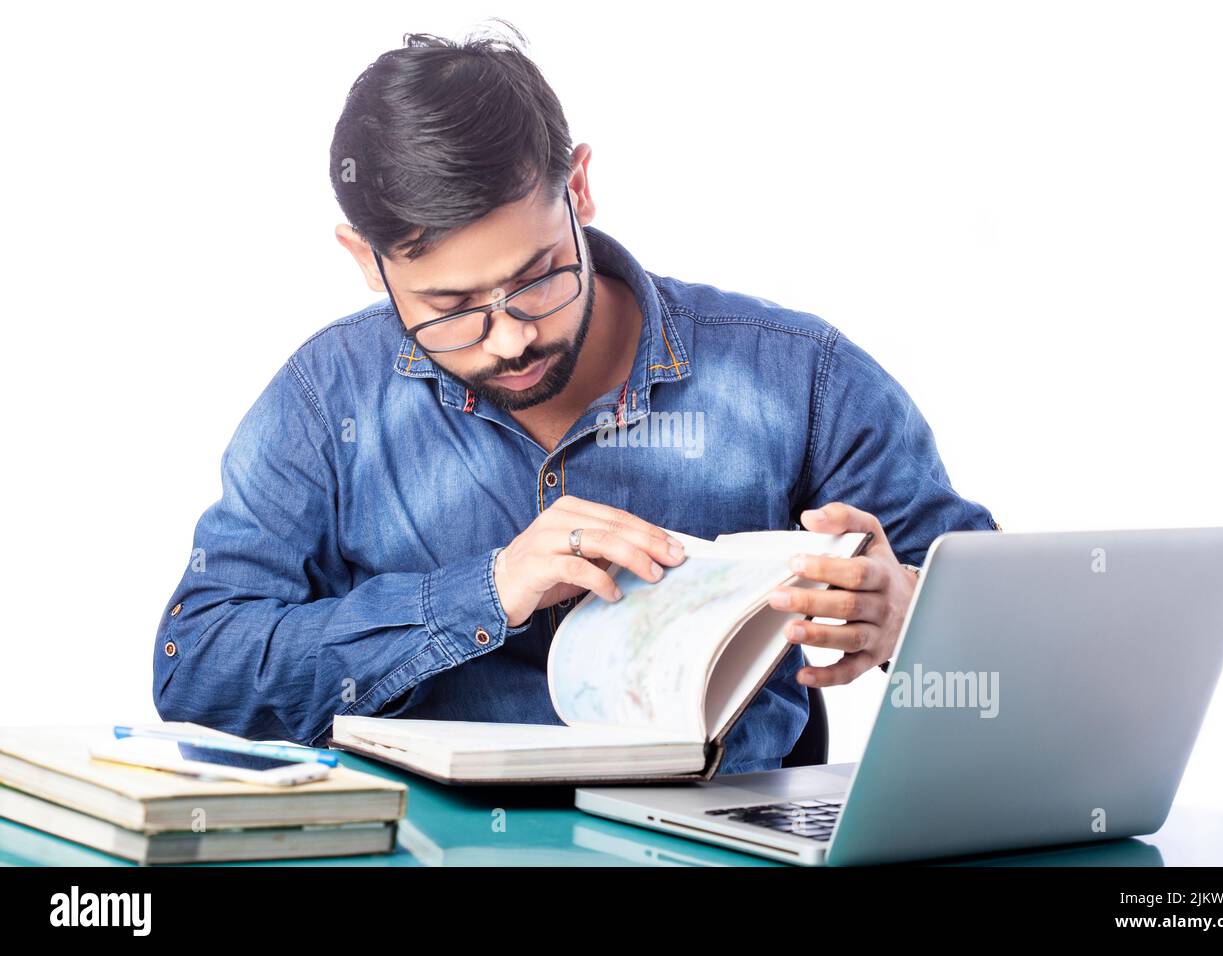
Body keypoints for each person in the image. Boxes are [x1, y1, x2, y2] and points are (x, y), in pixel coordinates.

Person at [152, 24, 1000, 775]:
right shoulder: (321, 400)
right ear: (366, 261)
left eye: (538, 278)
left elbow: (1020, 655)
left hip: (725, 851)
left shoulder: (801, 377)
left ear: (579, 187)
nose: (510, 337)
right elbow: (198, 672)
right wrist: (484, 592)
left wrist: (910, 619)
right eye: (450, 309)